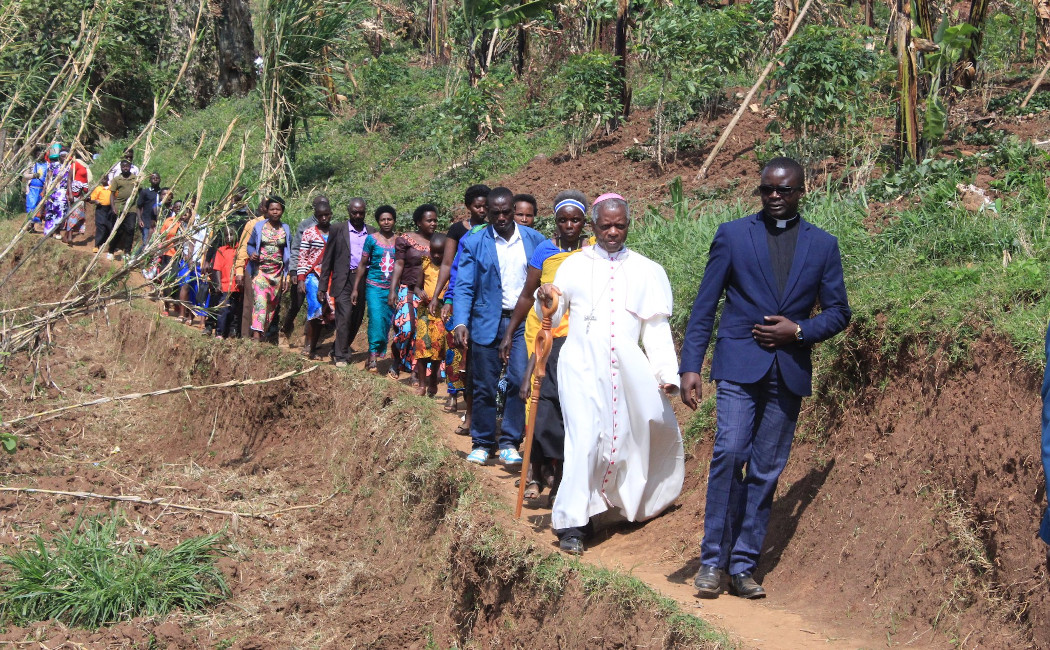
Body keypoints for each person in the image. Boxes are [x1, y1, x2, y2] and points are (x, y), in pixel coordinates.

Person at [680, 157, 852, 600]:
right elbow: (705, 306)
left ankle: (743, 565)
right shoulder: (734, 235)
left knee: (766, 468)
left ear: (802, 191)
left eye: (784, 190)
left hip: (788, 370)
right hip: (738, 365)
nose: (774, 196)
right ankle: (712, 560)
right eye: (767, 190)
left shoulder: (823, 245)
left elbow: (838, 312)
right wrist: (690, 366)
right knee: (730, 450)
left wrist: (797, 331)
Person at [534, 193, 683, 555]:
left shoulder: (647, 269)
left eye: (620, 225)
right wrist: (546, 296)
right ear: (593, 226)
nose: (613, 232)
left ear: (628, 225)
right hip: (581, 365)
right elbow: (549, 313)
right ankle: (572, 523)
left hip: (628, 370)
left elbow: (656, 330)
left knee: (626, 439)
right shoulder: (573, 265)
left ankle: (610, 507)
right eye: (605, 226)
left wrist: (666, 373)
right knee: (584, 441)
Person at [501, 189, 590, 501]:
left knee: (568, 405)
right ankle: (536, 471)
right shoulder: (543, 251)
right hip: (543, 331)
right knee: (535, 402)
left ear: (584, 222)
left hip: (578, 334)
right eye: (563, 220)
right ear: (555, 221)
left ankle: (560, 471)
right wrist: (511, 331)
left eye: (575, 220)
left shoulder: (592, 251)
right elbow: (528, 294)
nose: (569, 225)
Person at [452, 186, 547, 466]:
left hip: (523, 322)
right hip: (486, 321)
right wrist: (460, 320)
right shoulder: (474, 242)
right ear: (488, 212)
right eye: (496, 213)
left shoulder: (534, 241)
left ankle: (509, 441)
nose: (503, 217)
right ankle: (482, 441)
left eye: (507, 212)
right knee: (484, 384)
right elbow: (465, 285)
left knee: (519, 380)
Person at [432, 184, 489, 429]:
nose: (483, 210)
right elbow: (448, 264)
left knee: (481, 359)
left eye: (486, 205)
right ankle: (462, 403)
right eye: (478, 206)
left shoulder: (497, 230)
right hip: (462, 297)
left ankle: (479, 415)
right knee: (461, 353)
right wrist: (442, 296)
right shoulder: (458, 230)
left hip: (487, 300)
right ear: (468, 207)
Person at [318, 197, 373, 367]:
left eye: (361, 212)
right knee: (345, 315)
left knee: (356, 318)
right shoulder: (337, 229)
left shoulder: (372, 232)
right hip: (343, 279)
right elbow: (327, 259)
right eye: (354, 212)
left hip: (363, 279)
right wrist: (322, 286)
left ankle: (338, 347)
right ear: (349, 212)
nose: (357, 215)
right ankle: (341, 356)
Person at [389, 204, 438, 380]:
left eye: (435, 220)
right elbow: (399, 264)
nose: (433, 223)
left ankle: (417, 371)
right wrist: (392, 290)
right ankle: (395, 359)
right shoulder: (405, 239)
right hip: (407, 289)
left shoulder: (439, 241)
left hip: (428, 294)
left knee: (422, 334)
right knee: (407, 329)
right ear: (418, 222)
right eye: (429, 220)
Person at [350, 205, 398, 372]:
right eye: (383, 219)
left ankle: (393, 358)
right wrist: (356, 288)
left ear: (394, 221)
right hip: (374, 286)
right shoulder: (371, 239)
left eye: (389, 219)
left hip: (393, 288)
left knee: (390, 322)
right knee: (376, 319)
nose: (386, 222)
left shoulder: (400, 241)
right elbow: (362, 265)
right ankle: (372, 356)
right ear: (378, 221)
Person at [246, 197, 293, 342]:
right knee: (260, 301)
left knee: (271, 305)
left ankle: (262, 332)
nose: (275, 212)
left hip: (277, 273)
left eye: (278, 209)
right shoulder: (259, 226)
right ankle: (256, 335)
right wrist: (252, 253)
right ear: (267, 210)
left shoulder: (286, 229)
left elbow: (288, 253)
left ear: (282, 211)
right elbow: (250, 245)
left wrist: (287, 277)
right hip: (260, 271)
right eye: (272, 209)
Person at [297, 198, 334, 359]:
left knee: (329, 311)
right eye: (320, 215)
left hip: (332, 277)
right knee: (315, 309)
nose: (324, 218)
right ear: (316, 216)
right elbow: (303, 256)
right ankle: (309, 347)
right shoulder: (309, 232)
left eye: (326, 215)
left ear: (331, 214)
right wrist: (300, 278)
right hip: (313, 275)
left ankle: (319, 345)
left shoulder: (337, 231)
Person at [280, 200, 320, 348]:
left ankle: (307, 338)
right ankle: (284, 330)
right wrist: (294, 271)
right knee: (296, 304)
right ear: (314, 208)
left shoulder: (330, 227)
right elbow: (296, 248)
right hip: (302, 271)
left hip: (319, 275)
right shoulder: (306, 225)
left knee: (314, 306)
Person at [413, 233, 448, 397]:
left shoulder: (450, 267)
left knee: (437, 348)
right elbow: (417, 287)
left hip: (442, 311)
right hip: (425, 310)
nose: (436, 255)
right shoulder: (425, 264)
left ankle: (433, 379)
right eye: (433, 251)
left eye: (440, 252)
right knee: (421, 346)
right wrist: (419, 292)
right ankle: (422, 384)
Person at [233, 200, 267, 338]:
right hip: (253, 269)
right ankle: (246, 337)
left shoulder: (281, 228)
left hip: (272, 272)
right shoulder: (253, 224)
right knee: (249, 303)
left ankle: (263, 335)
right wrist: (239, 270)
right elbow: (243, 248)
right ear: (262, 208)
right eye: (268, 206)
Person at [109, 160, 139, 260]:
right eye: (123, 166)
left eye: (127, 166)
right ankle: (111, 250)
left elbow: (140, 190)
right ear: (121, 168)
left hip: (131, 207)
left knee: (130, 229)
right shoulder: (117, 179)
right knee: (118, 230)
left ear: (130, 167)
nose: (125, 168)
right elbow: (112, 194)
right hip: (119, 207)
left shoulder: (135, 179)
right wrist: (113, 207)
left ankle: (127, 252)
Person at [41, 144, 69, 236]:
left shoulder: (68, 167)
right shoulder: (54, 166)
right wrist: (45, 190)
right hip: (52, 191)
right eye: (62, 156)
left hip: (62, 192)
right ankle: (48, 231)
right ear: (59, 157)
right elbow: (48, 178)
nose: (64, 158)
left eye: (66, 156)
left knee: (60, 211)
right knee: (50, 211)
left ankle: (57, 231)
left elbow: (69, 180)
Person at [135, 173, 162, 253]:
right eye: (153, 178)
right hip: (146, 221)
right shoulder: (145, 192)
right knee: (146, 243)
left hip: (158, 222)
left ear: (160, 180)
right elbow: (138, 207)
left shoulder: (162, 193)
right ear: (149, 180)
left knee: (154, 243)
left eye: (157, 178)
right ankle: (134, 258)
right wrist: (140, 219)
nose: (155, 179)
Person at [89, 175, 113, 254]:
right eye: (102, 179)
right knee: (100, 227)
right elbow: (92, 199)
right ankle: (96, 245)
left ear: (108, 179)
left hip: (110, 209)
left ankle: (106, 245)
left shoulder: (111, 188)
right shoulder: (98, 188)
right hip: (100, 209)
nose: (103, 180)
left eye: (105, 179)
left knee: (109, 227)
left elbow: (116, 197)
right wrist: (95, 201)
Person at [23, 146, 47, 224]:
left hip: (42, 189)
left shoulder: (48, 164)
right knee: (31, 206)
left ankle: (37, 223)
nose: (39, 156)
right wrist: (33, 176)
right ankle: (30, 225)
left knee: (39, 207)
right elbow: (25, 175)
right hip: (32, 189)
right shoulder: (32, 164)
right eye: (37, 155)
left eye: (41, 154)